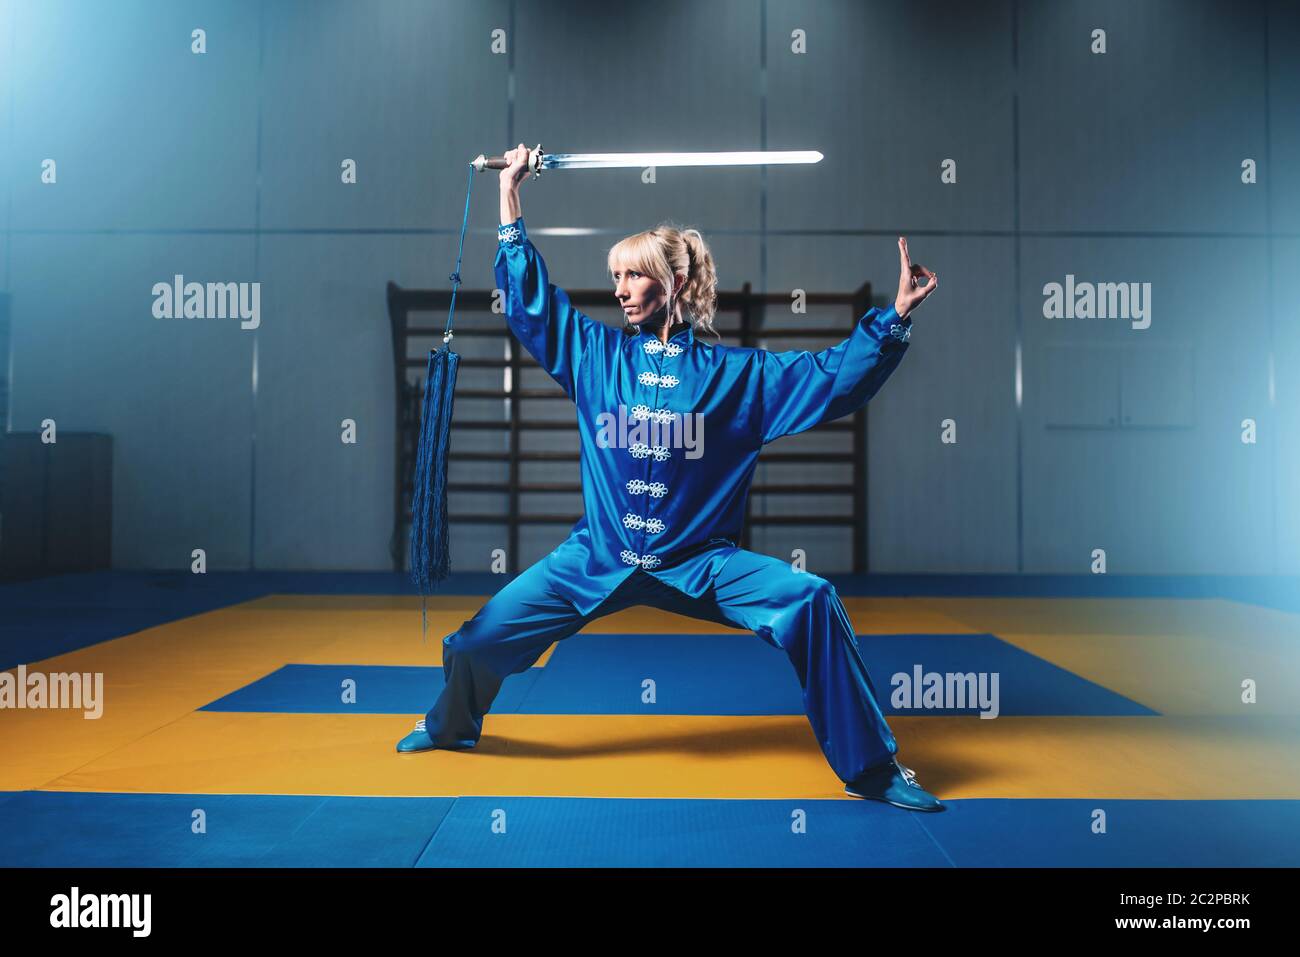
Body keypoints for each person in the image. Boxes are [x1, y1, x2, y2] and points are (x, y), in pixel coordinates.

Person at [397, 143, 943, 811]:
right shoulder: (595, 355)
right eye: (615, 276)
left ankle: (874, 769)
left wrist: (894, 320)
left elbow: (830, 378)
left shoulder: (735, 378)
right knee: (479, 640)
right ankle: (450, 726)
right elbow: (533, 305)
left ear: (673, 285)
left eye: (633, 276)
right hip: (596, 558)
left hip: (699, 563)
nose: (619, 289)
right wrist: (510, 195)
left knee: (812, 599)